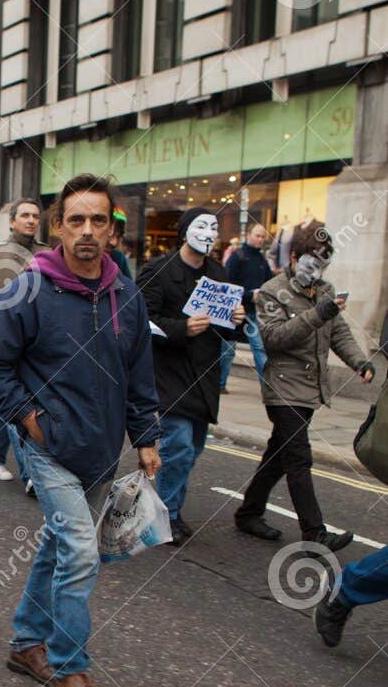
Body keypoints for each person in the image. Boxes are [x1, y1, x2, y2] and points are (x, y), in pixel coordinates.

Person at [0, 173, 160, 687]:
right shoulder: (28, 288)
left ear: (112, 229)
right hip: (47, 448)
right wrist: (32, 421)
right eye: (76, 219)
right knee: (79, 551)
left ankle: (26, 642)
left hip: (101, 450)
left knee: (58, 546)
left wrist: (146, 437)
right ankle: (69, 665)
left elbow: (139, 374)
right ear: (58, 227)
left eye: (99, 220)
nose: (88, 230)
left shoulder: (127, 295)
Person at [235, 220, 374, 549]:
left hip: (310, 388)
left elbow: (339, 333)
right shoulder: (272, 291)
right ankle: (314, 533)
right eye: (312, 262)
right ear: (295, 257)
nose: (317, 270)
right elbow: (274, 338)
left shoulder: (325, 290)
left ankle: (248, 512)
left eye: (323, 264)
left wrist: (359, 361)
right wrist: (318, 314)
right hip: (283, 389)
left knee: (278, 455)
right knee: (298, 458)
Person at [137, 209, 246, 544]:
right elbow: (140, 321)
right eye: (201, 226)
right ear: (185, 232)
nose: (209, 233)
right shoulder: (158, 270)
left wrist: (236, 319)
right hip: (169, 371)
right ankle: (166, 516)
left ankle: (165, 507)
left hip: (204, 372)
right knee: (180, 445)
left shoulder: (217, 272)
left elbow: (224, 328)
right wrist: (182, 328)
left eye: (214, 227)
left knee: (193, 447)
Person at [0, 198, 46, 482]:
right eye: (25, 215)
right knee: (17, 400)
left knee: (17, 402)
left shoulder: (48, 254)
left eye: (35, 216)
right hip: (6, 345)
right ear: (13, 221)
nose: (31, 220)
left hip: (38, 345)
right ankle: (30, 475)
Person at [220, 221, 271, 390]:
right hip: (233, 311)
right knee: (227, 351)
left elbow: (270, 282)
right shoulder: (237, 256)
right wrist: (250, 295)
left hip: (253, 312)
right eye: (257, 235)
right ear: (248, 235)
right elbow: (228, 285)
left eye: (263, 236)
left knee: (259, 347)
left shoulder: (262, 260)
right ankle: (220, 384)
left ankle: (268, 388)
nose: (260, 239)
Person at [108, 210, 132, 278]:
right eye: (109, 234)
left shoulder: (118, 258)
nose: (114, 242)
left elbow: (128, 283)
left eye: (119, 236)